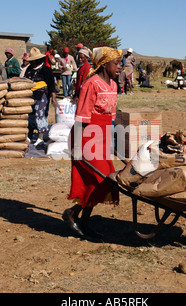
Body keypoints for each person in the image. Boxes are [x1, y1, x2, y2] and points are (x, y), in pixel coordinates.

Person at [63, 47, 122, 238]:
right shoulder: (91, 84)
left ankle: (83, 220)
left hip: (102, 136)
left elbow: (111, 117)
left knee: (105, 182)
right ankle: (73, 214)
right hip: (86, 136)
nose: (119, 67)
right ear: (104, 64)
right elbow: (81, 117)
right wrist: (78, 148)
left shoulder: (113, 85)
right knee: (95, 179)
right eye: (116, 63)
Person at [24, 47, 58, 146]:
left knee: (40, 115)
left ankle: (40, 137)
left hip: (42, 95)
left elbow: (51, 84)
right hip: (30, 95)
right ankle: (30, 135)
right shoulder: (29, 69)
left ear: (36, 60)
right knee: (30, 115)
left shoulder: (46, 69)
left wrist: (53, 97)